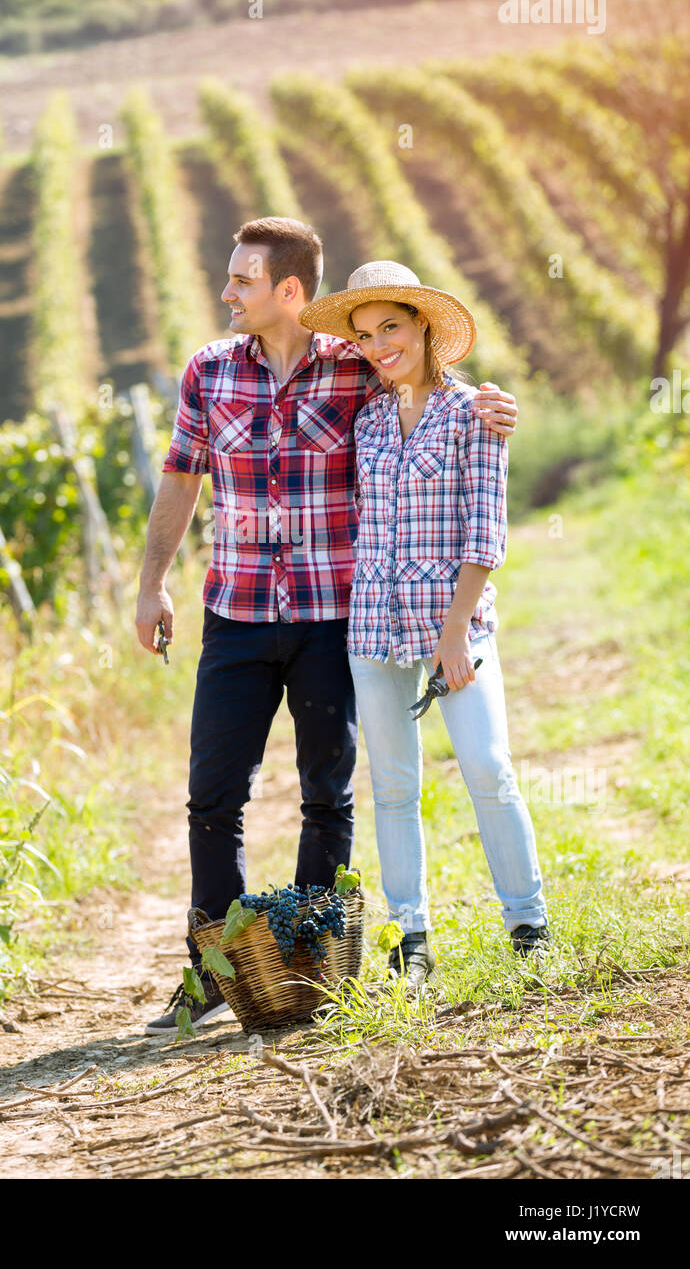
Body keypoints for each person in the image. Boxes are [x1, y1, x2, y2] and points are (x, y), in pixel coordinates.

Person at [135, 219, 519, 1032]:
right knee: (212, 797)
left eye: (242, 279)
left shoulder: (352, 369)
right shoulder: (208, 371)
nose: (227, 292)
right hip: (235, 611)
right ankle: (212, 967)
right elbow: (179, 479)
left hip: (329, 616)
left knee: (328, 795)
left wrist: (491, 402)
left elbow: (423, 381)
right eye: (229, 277)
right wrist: (151, 585)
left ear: (289, 292)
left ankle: (313, 964)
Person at [299, 260, 550, 996]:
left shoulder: (476, 414)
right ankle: (410, 937)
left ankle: (527, 924)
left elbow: (486, 538)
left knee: (488, 768)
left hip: (455, 623)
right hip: (372, 624)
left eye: (392, 329)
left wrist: (452, 636)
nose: (380, 346)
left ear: (424, 328)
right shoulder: (365, 420)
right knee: (394, 786)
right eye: (367, 336)